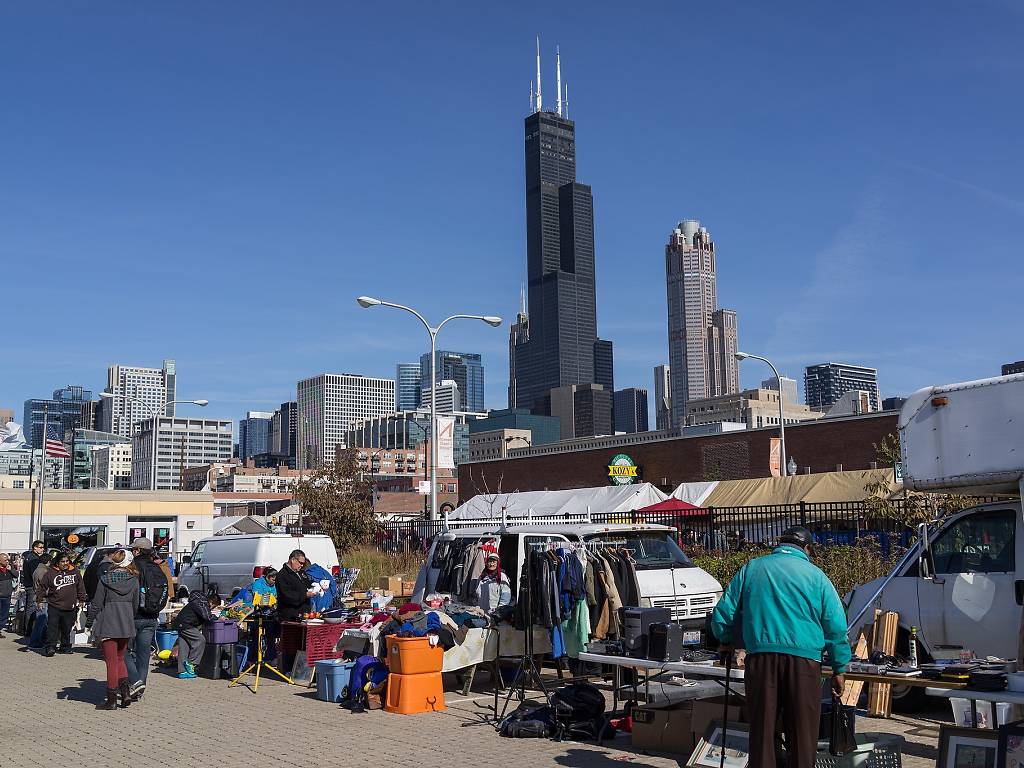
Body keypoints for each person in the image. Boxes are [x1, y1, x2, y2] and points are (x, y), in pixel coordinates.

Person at [711, 525, 851, 768]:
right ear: (806, 548)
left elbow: (723, 613)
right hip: (804, 662)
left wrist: (725, 642)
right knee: (802, 734)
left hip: (761, 660)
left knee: (763, 732)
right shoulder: (816, 575)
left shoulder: (752, 568)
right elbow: (836, 625)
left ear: (780, 544)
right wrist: (839, 667)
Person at [85, 552, 139, 710]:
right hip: (126, 623)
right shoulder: (133, 580)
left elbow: (96, 603)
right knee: (120, 659)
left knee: (111, 663)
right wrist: (129, 616)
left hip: (108, 623)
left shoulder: (105, 579)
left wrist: (89, 622)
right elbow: (136, 604)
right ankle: (126, 694)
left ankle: (111, 700)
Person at [125, 537, 171, 701]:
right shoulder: (157, 568)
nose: (132, 552)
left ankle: (134, 681)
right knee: (144, 654)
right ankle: (140, 689)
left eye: (133, 550)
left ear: (137, 551)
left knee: (125, 651)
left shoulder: (133, 567)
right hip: (152, 617)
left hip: (133, 616)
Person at [38, 551, 87, 657]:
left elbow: (80, 587)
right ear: (57, 563)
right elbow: (42, 587)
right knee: (52, 627)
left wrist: (82, 599)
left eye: (67, 561)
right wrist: (40, 600)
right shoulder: (51, 573)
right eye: (62, 561)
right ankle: (51, 647)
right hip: (54, 604)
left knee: (67, 628)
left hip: (70, 606)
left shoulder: (75, 572)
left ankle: (65, 647)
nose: (65, 563)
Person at [275, 550, 314, 672]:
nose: (302, 565)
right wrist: (305, 595)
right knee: (290, 644)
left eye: (303, 563)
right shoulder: (282, 576)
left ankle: (301, 670)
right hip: (289, 615)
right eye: (300, 563)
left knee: (302, 643)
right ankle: (288, 670)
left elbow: (307, 583)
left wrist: (316, 587)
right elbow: (287, 596)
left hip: (303, 614)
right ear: (292, 560)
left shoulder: (300, 573)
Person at [170, 591, 220, 679]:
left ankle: (182, 672)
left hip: (181, 623)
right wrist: (218, 618)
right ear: (211, 602)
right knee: (200, 640)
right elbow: (207, 616)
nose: (212, 609)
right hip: (186, 624)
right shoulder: (202, 603)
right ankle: (191, 663)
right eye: (214, 606)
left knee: (184, 646)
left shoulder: (199, 601)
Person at [25, 552, 53, 650]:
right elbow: (44, 587)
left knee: (42, 622)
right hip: (43, 600)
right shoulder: (43, 571)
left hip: (41, 599)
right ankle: (35, 642)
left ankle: (39, 641)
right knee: (40, 622)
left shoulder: (39, 569)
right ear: (48, 561)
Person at [20, 540, 45, 637]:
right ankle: (28, 630)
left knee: (29, 608)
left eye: (43, 547)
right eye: (41, 547)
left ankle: (27, 629)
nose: (42, 549)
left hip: (29, 584)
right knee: (31, 608)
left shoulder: (30, 557)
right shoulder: (33, 559)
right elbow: (35, 574)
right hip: (32, 586)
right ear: (35, 548)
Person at [0, 553, 15, 637]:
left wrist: (11, 570)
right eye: (5, 560)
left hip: (7, 595)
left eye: (8, 560)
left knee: (4, 614)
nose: (7, 562)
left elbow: (16, 575)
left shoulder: (9, 570)